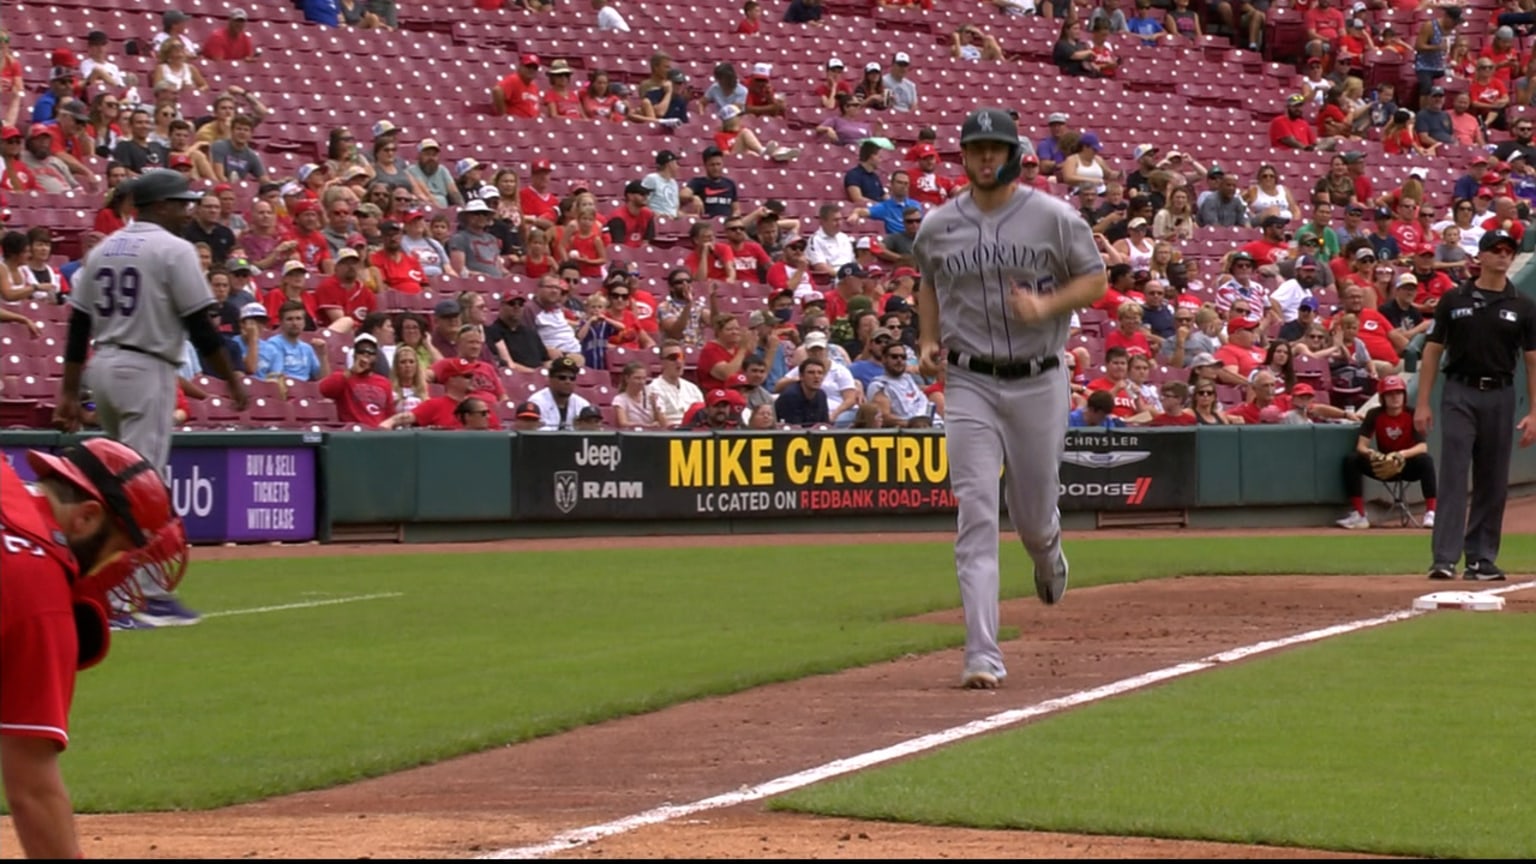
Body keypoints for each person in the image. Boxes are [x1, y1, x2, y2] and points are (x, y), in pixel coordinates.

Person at [912, 107, 1107, 690]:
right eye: (977, 148)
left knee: (1032, 518)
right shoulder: (938, 225)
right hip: (968, 380)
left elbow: (1095, 279)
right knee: (975, 513)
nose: (986, 157)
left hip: (1039, 379)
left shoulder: (1053, 216)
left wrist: (1046, 306)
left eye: (995, 148)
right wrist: (927, 338)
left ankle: (1047, 553)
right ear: (964, 156)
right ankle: (982, 653)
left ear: (1015, 155)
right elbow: (929, 281)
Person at [51, 169, 247, 627]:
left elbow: (78, 327)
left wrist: (69, 392)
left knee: (118, 485)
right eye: (180, 203)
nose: (187, 211)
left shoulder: (103, 249)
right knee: (142, 490)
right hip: (147, 367)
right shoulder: (174, 249)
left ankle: (124, 590)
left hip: (104, 367)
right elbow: (200, 326)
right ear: (158, 206)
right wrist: (231, 380)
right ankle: (132, 595)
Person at [1, 437, 188, 858]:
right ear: (86, 518)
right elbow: (33, 790)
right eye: (122, 554)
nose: (121, 574)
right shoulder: (41, 596)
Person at [1414, 229, 1536, 581]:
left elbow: (1532, 360)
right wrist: (1422, 403)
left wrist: (1534, 412)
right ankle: (1444, 558)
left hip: (1500, 393)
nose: (1502, 255)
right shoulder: (1454, 299)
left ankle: (1481, 557)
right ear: (1479, 256)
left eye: (1508, 250)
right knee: (1454, 473)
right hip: (1459, 390)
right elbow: (1433, 350)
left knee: (1493, 479)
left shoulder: (1522, 305)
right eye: (1495, 250)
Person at [1339, 375, 1436, 530]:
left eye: (1398, 393)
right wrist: (1373, 454)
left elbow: (1422, 447)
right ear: (1382, 398)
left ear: (1404, 395)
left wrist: (1400, 455)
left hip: (1407, 465)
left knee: (1426, 460)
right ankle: (1360, 515)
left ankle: (1431, 512)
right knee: (1352, 460)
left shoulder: (1412, 414)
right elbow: (1361, 446)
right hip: (1383, 465)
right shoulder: (1374, 414)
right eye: (1390, 394)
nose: (1395, 397)